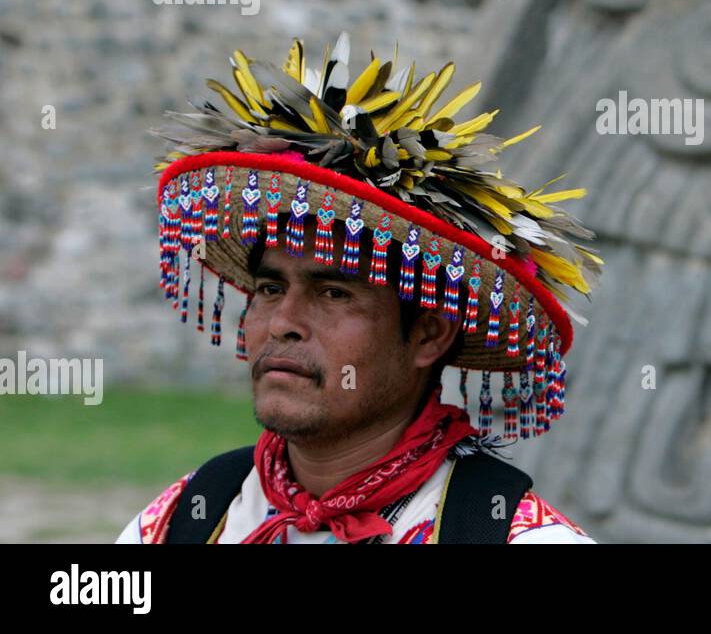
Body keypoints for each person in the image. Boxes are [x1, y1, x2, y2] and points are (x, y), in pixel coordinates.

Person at [115, 34, 603, 544]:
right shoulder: (187, 518)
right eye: (268, 289)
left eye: (334, 294)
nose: (283, 323)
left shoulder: (504, 535)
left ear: (428, 334)